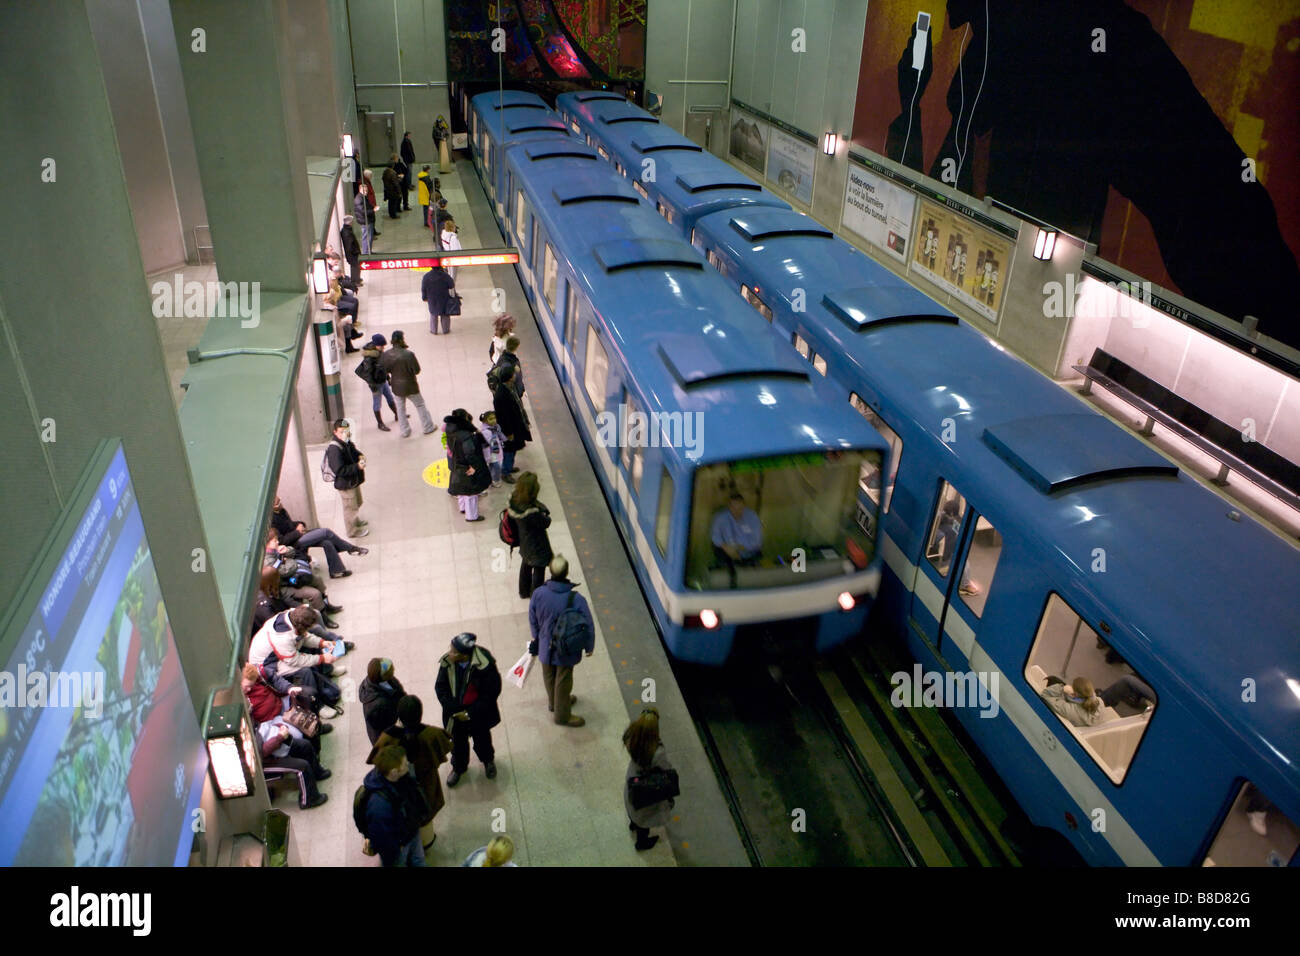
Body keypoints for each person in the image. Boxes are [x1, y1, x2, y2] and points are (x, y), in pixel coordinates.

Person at [368, 695, 452, 854]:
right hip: (426, 784)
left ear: (399, 715)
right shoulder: (431, 734)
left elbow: (376, 758)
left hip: (398, 789)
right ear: (420, 714)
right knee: (425, 815)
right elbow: (446, 745)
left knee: (405, 816)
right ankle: (427, 843)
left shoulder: (388, 737)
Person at [244, 665, 331, 809]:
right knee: (301, 767)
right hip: (266, 757)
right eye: (247, 687)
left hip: (271, 737)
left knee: (304, 746)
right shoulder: (249, 731)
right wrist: (279, 736)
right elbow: (261, 753)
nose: (249, 690)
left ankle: (317, 772)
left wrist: (279, 732)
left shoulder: (251, 719)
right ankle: (308, 800)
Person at [528, 555, 595, 727]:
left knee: (549, 674)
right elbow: (588, 624)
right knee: (563, 679)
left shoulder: (538, 593)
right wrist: (589, 646)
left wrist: (537, 635)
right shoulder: (576, 599)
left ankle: (555, 703)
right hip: (565, 647)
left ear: (550, 571)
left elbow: (532, 617)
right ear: (566, 572)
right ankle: (562, 715)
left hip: (545, 644)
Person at [435, 632, 501, 786]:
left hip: (478, 714)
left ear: (464, 656)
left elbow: (491, 693)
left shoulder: (484, 665)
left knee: (482, 740)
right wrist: (452, 709)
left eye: (453, 651)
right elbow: (440, 687)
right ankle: (458, 767)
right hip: (456, 715)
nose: (449, 653)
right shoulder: (448, 663)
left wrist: (470, 713)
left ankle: (488, 761)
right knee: (458, 744)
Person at [359, 746, 430, 866]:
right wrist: (397, 848)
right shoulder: (379, 807)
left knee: (419, 859)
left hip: (412, 831)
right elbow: (383, 841)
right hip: (400, 844)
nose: (408, 764)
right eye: (404, 764)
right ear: (394, 772)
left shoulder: (400, 777)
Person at [271, 496, 366, 579]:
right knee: (326, 532)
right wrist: (297, 532)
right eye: (278, 503)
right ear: (272, 507)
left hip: (299, 535)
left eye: (280, 501)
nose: (280, 503)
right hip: (294, 543)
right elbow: (282, 540)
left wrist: (300, 524)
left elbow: (290, 524)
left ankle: (337, 571)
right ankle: (350, 548)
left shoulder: (281, 511)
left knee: (326, 542)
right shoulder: (272, 521)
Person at [623, 708, 675, 851]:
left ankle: (633, 823)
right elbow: (666, 771)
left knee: (632, 806)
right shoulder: (657, 752)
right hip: (647, 788)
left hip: (633, 780)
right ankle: (642, 843)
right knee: (644, 820)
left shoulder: (631, 737)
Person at [379, 330, 437, 437]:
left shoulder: (386, 355)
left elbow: (384, 370)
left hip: (396, 386)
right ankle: (428, 427)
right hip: (410, 385)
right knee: (420, 405)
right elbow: (417, 370)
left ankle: (404, 431)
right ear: (402, 340)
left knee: (400, 409)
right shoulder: (409, 354)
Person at [508, 472, 552, 599]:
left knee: (526, 564)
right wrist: (545, 515)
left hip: (523, 540)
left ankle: (523, 591)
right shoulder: (531, 512)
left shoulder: (514, 500)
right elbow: (546, 523)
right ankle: (536, 596)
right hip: (536, 543)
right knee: (539, 568)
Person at [325, 419, 368, 537]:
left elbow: (353, 451)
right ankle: (352, 531)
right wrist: (357, 466)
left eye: (347, 431)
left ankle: (355, 522)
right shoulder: (334, 449)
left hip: (352, 481)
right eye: (341, 432)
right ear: (335, 432)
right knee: (350, 509)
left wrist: (360, 456)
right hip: (345, 484)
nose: (345, 434)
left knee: (356, 503)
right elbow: (339, 470)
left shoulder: (346, 441)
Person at [445, 408, 490, 521]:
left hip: (456, 463)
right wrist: (474, 466)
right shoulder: (466, 435)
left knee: (461, 488)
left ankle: (462, 507)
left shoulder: (450, 429)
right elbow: (470, 452)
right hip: (467, 466)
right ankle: (472, 516)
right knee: (471, 492)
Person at [710, 493, 763, 587]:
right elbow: (715, 537)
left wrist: (739, 548)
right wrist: (726, 547)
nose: (737, 512)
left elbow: (757, 542)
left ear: (744, 506)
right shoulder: (720, 517)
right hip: (727, 553)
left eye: (740, 508)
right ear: (729, 507)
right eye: (733, 508)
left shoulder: (752, 517)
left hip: (748, 553)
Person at [492, 365, 530, 481]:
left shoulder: (508, 387)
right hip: (509, 429)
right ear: (509, 377)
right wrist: (508, 433)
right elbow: (503, 417)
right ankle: (505, 472)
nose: (515, 375)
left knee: (512, 450)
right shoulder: (501, 395)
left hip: (515, 426)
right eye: (513, 374)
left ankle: (509, 467)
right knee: (509, 450)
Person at [356, 333, 399, 433]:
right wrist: (372, 385)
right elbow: (368, 373)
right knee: (377, 404)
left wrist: (388, 378)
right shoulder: (370, 357)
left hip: (382, 380)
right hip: (376, 384)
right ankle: (380, 423)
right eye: (381, 346)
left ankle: (397, 414)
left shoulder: (379, 352)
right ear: (376, 345)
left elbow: (383, 367)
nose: (383, 347)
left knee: (390, 398)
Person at [359, 657, 407, 746]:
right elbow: (385, 726)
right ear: (383, 677)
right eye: (390, 670)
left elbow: (399, 692)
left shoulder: (387, 680)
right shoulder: (377, 706)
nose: (394, 669)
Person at [1040, 676, 1105, 728]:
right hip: (1083, 726)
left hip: (1061, 724)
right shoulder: (1100, 702)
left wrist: (1062, 688)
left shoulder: (1070, 710)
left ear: (1075, 693)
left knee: (1054, 680)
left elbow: (1045, 695)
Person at [421, 264, 456, 335]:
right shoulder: (445, 276)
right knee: (445, 314)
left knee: (433, 314)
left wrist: (424, 297)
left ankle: (434, 330)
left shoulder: (426, 276)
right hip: (444, 298)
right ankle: (446, 330)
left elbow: (423, 288)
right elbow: (451, 285)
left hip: (432, 299)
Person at [478, 410, 505, 486]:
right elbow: (485, 445)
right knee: (497, 467)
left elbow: (499, 436)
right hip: (491, 453)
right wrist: (487, 456)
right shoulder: (486, 431)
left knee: (493, 466)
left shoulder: (495, 427)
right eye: (490, 419)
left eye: (494, 418)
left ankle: (490, 478)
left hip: (496, 450)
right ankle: (496, 480)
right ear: (485, 421)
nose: (494, 420)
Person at [339, 215, 361, 283]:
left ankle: (356, 279)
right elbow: (349, 245)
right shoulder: (347, 232)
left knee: (355, 266)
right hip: (351, 254)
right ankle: (355, 280)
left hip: (351, 253)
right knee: (355, 267)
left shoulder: (346, 230)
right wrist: (355, 251)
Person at [399, 132, 416, 207]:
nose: (410, 136)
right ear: (406, 136)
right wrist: (411, 158)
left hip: (407, 159)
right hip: (408, 159)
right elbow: (409, 151)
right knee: (409, 172)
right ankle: (409, 185)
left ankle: (409, 184)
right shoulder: (406, 142)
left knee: (409, 172)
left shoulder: (405, 142)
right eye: (409, 135)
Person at [417, 164, 434, 231]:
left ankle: (426, 222)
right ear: (427, 170)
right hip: (427, 196)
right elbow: (430, 187)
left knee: (425, 210)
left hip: (423, 195)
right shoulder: (426, 178)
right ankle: (427, 222)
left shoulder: (421, 176)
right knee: (428, 210)